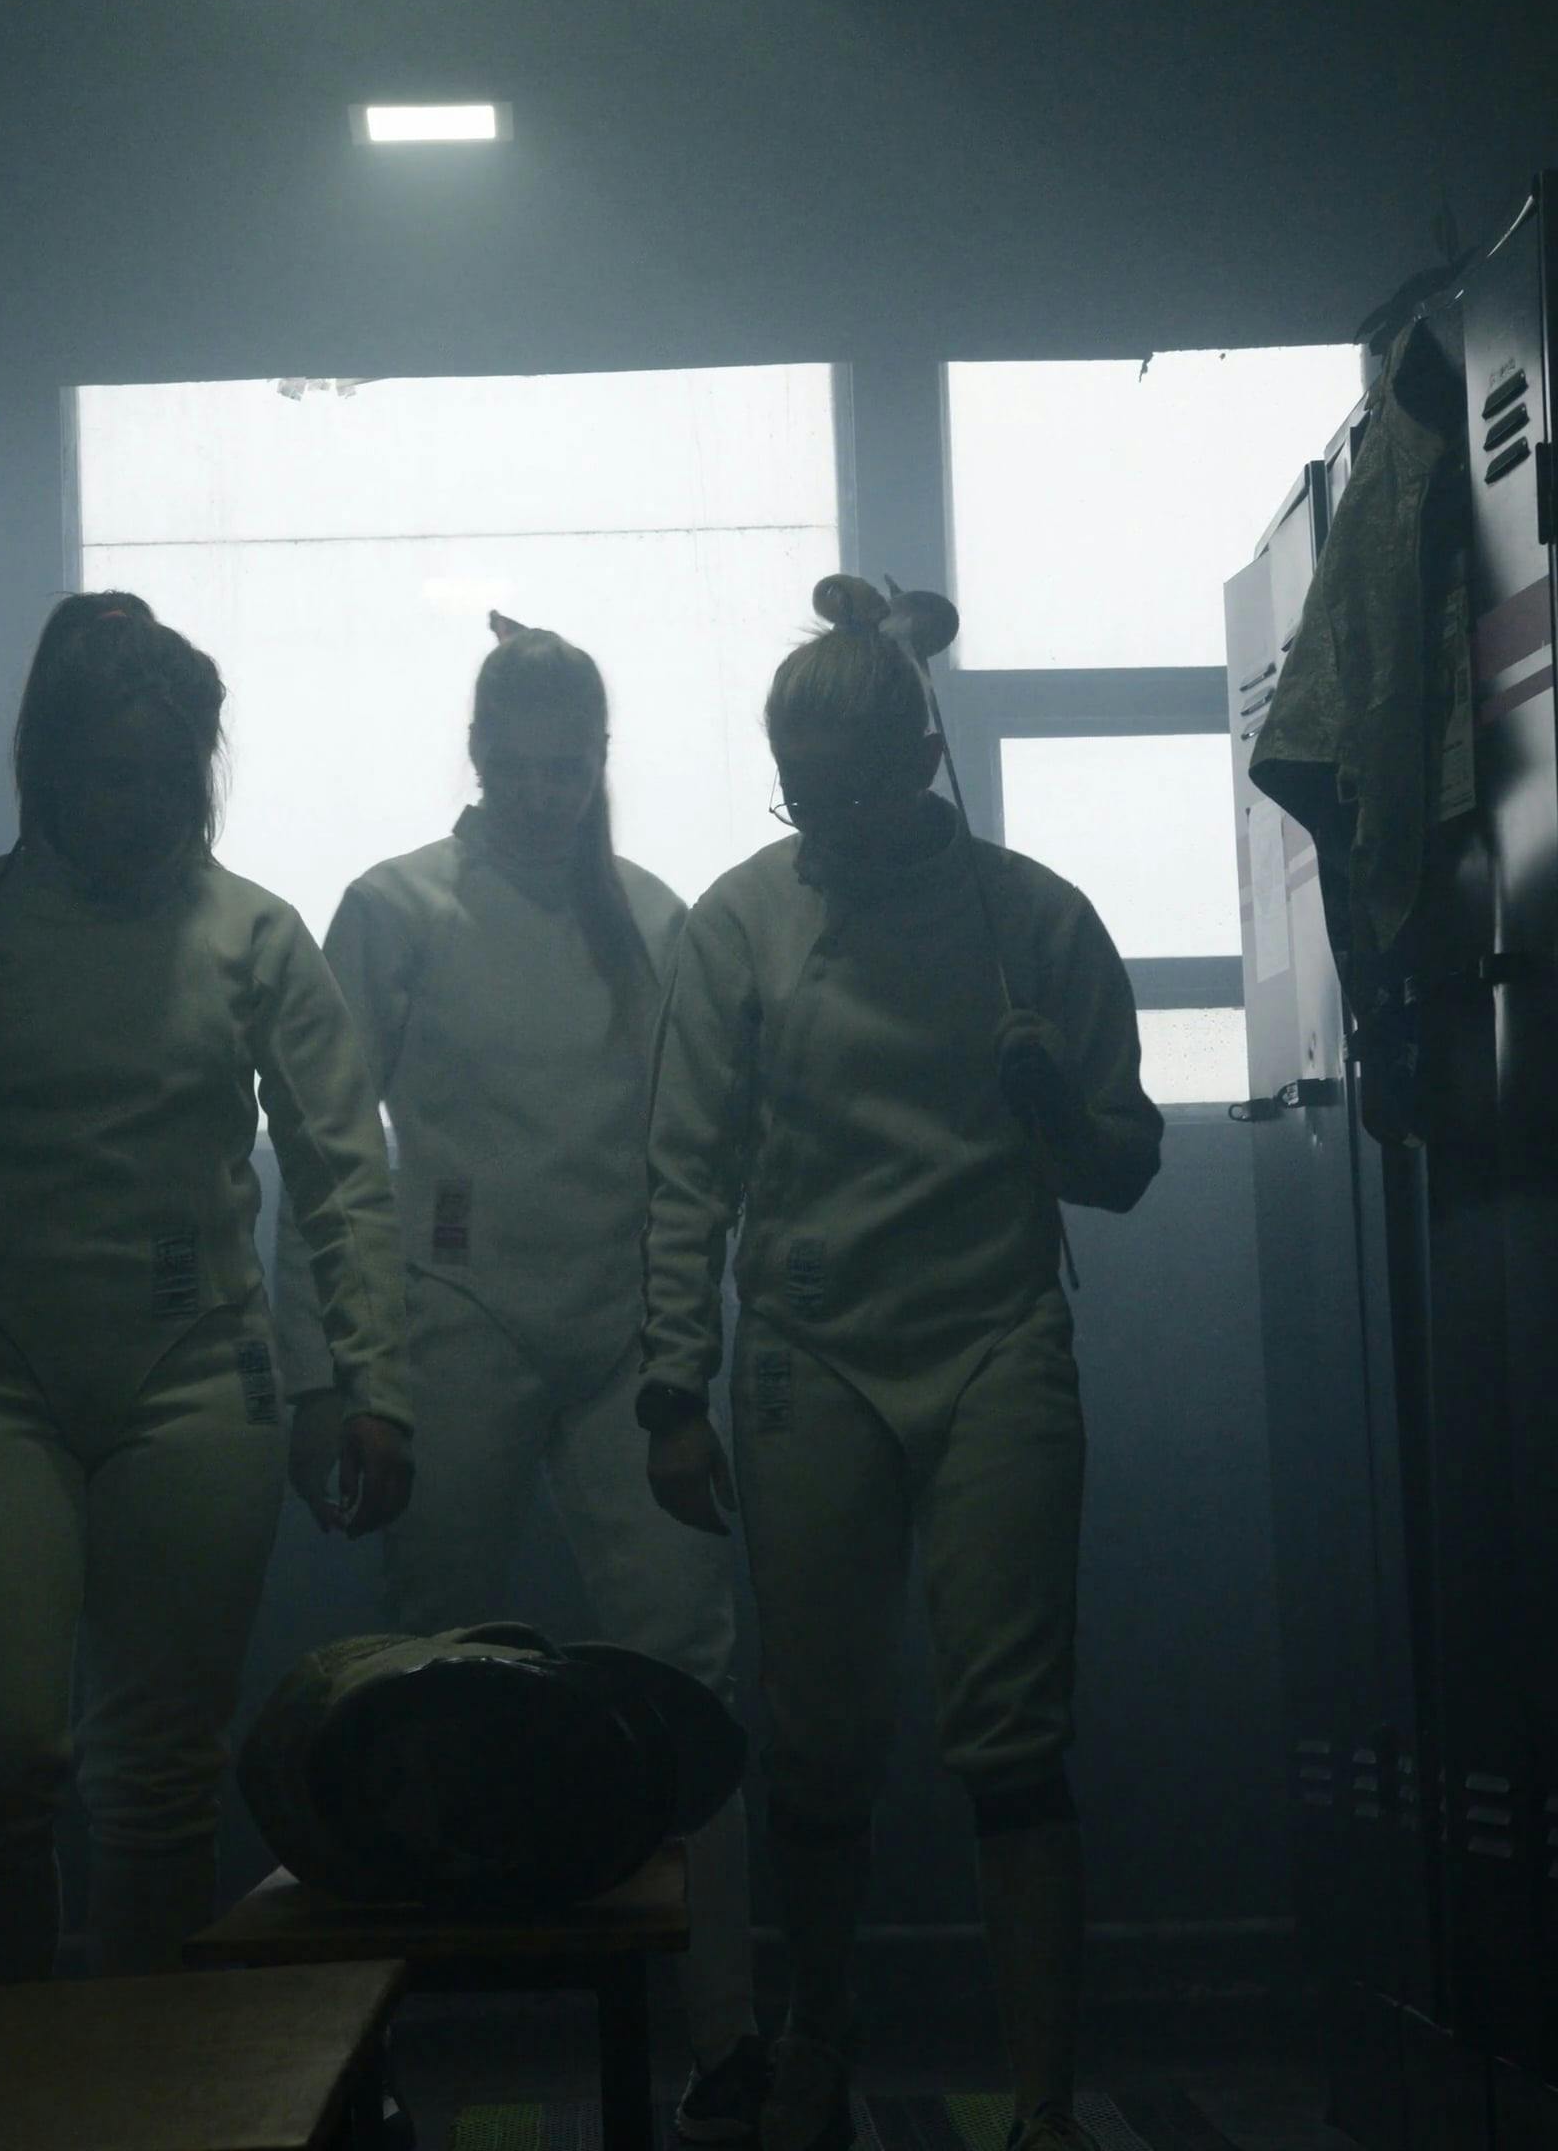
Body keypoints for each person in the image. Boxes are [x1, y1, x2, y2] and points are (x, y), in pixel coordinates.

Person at [0, 591, 419, 1983]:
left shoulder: (255, 939)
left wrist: (373, 1387)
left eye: (164, 775)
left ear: (200, 771)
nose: (138, 806)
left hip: (198, 1378)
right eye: (107, 773)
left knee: (156, 1777)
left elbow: (343, 1177)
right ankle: (8, 2094)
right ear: (49, 769)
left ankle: (147, 2107)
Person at [638, 576, 1163, 2151]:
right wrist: (673, 1384)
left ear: (920, 768)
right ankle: (816, 2042)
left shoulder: (1036, 918)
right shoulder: (744, 920)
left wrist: (1055, 1113)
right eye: (797, 791)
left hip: (996, 1331)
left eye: (849, 787)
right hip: (810, 1345)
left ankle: (1046, 2101)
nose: (822, 820)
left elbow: (1124, 1164)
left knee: (1012, 1732)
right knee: (814, 1735)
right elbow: (684, 1165)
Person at [269, 616, 767, 2139]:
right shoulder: (399, 906)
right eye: (523, 767)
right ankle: (389, 2047)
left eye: (574, 768)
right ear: (478, 759)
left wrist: (684, 1362)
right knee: (421, 1679)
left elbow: (696, 1160)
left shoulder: (655, 914)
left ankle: (726, 2034)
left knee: (690, 1659)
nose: (549, 794)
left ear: (600, 766)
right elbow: (327, 1151)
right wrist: (327, 1373)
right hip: (456, 1319)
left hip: (622, 1325)